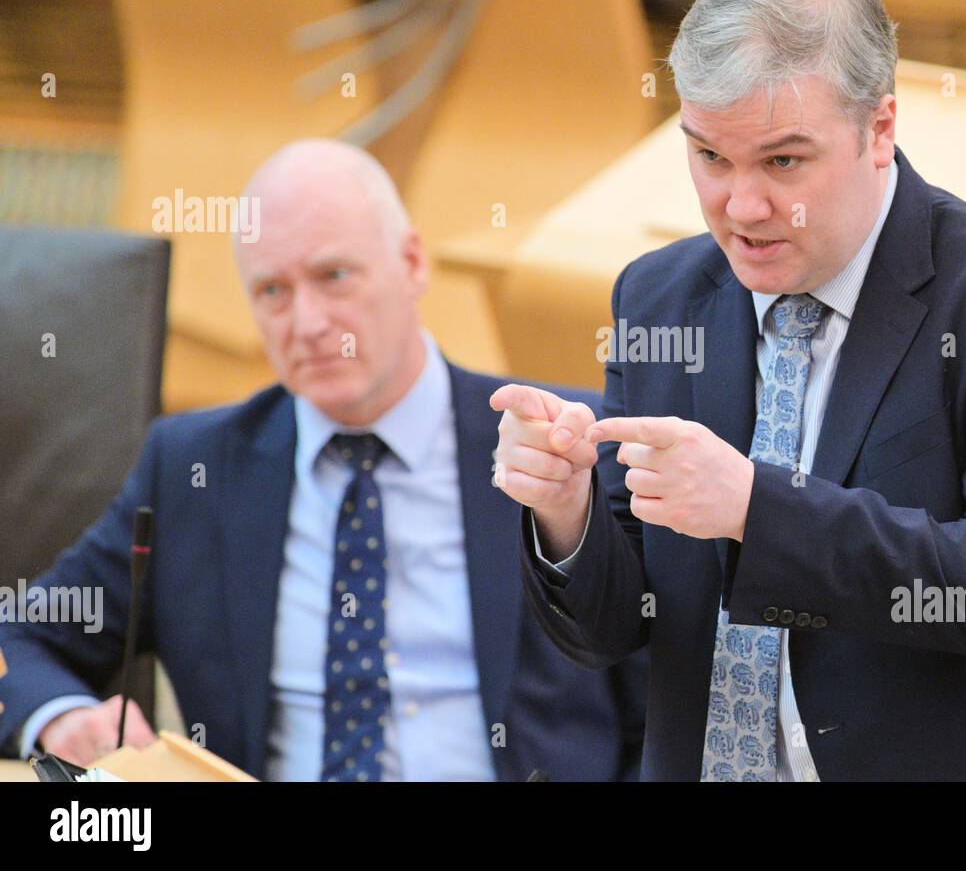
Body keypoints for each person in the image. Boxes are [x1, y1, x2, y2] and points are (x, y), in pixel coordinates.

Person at [492, 0, 966, 781]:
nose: (742, 205)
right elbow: (615, 629)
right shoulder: (659, 300)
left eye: (784, 160)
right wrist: (565, 513)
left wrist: (755, 509)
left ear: (880, 127)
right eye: (709, 157)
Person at [0, 139, 646, 781]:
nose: (308, 322)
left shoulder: (557, 446)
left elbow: (673, 691)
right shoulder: (194, 469)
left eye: (334, 276)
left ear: (413, 261)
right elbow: (21, 639)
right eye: (273, 291)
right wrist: (59, 716)